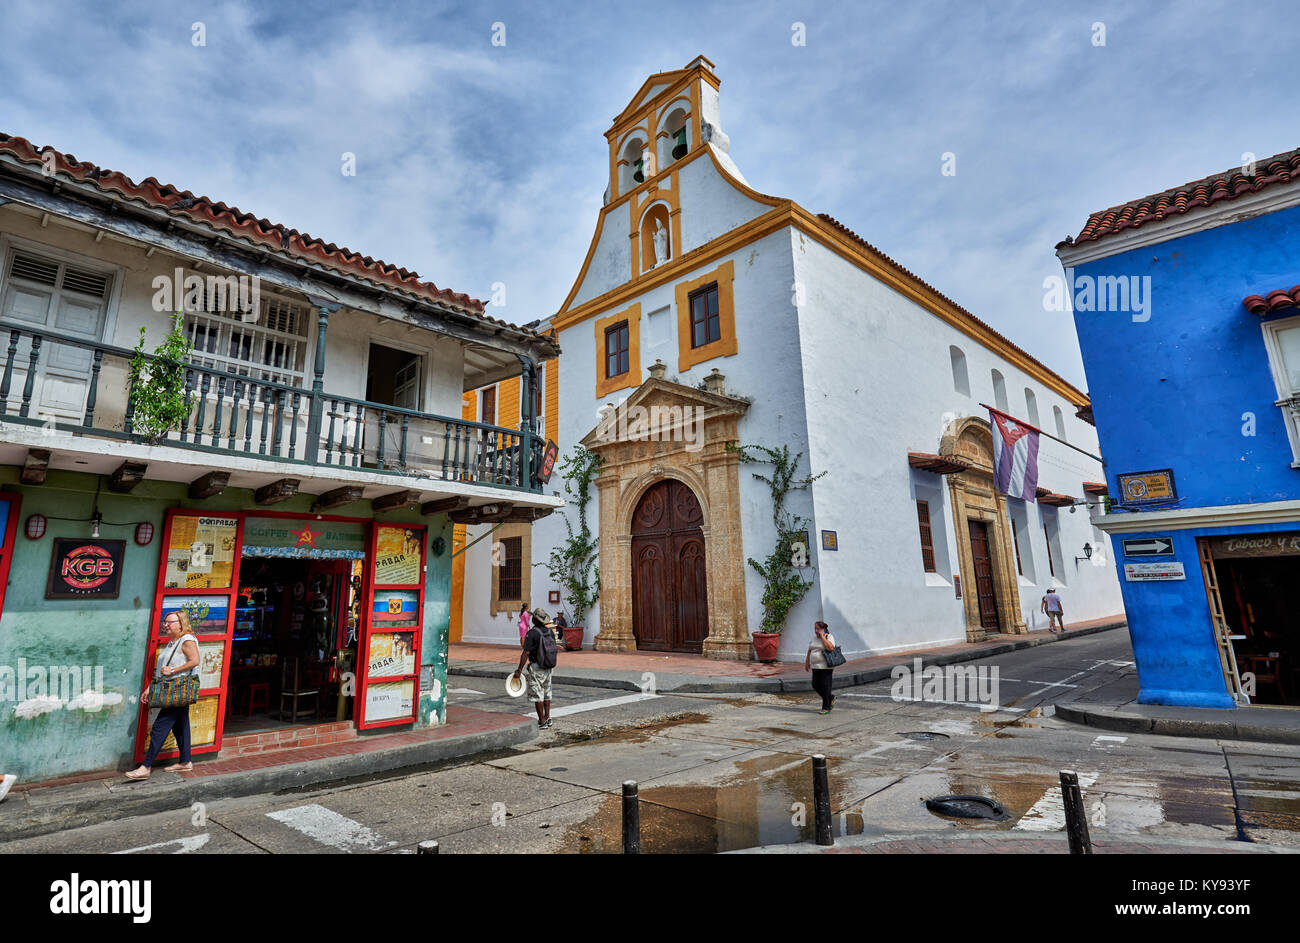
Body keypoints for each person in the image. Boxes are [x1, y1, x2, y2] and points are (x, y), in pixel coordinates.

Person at [126, 609, 200, 779]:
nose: (165, 625)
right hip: (172, 690)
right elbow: (163, 669)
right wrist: (151, 687)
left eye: (169, 622)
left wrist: (173, 670)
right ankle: (185, 761)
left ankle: (145, 766)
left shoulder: (187, 640)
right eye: (164, 622)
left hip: (177, 690)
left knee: (160, 727)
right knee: (180, 726)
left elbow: (195, 661)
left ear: (180, 623)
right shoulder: (173, 641)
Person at [513, 612, 557, 729]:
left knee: (538, 694)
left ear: (534, 620)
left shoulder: (532, 633)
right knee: (547, 693)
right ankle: (547, 717)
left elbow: (526, 652)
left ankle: (541, 720)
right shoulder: (549, 632)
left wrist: (519, 670)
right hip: (548, 666)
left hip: (537, 667)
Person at [804, 621, 837, 714]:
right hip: (815, 666)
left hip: (826, 666)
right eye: (815, 628)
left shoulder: (829, 637)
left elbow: (830, 648)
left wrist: (823, 637)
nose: (816, 630)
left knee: (826, 686)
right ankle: (830, 698)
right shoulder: (813, 638)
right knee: (815, 685)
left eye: (818, 628)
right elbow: (810, 650)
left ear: (823, 629)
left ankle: (826, 707)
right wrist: (807, 661)